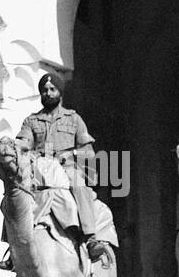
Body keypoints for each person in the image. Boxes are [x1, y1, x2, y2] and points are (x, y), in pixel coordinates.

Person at [14, 73, 112, 262]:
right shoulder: (31, 121)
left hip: (67, 168)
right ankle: (14, 248)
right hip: (41, 169)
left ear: (60, 92)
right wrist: (20, 147)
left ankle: (91, 238)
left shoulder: (73, 119)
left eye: (52, 89)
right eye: (44, 90)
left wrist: (73, 155)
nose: (48, 93)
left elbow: (88, 151)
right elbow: (23, 141)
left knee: (79, 184)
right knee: (16, 192)